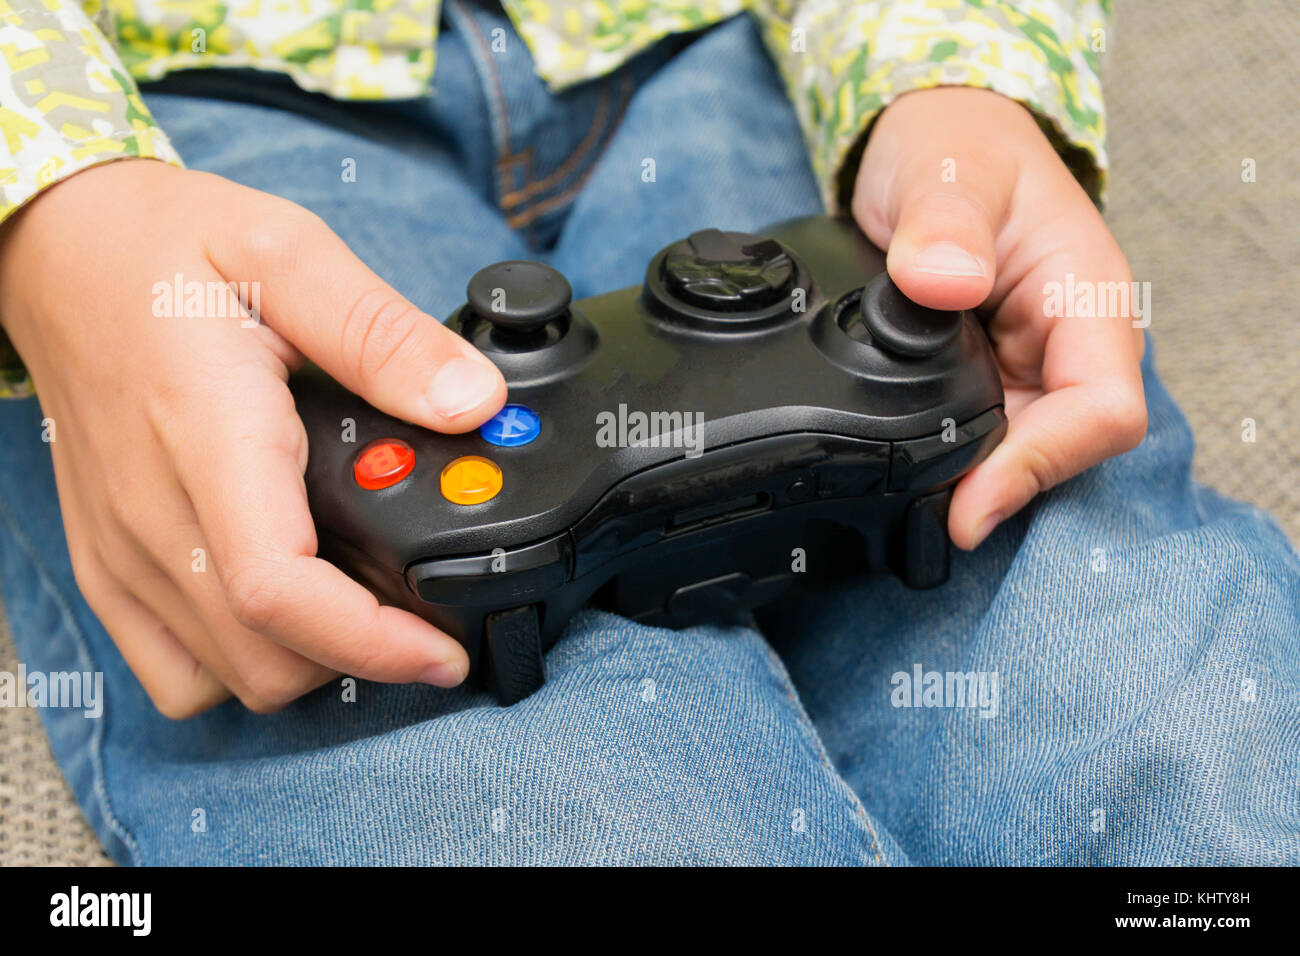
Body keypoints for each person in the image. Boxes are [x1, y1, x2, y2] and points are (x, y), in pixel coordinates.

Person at [0, 0, 1296, 865]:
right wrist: (52, 194)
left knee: (1172, 732)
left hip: (752, 35)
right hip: (157, 118)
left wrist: (956, 66)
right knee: (585, 822)